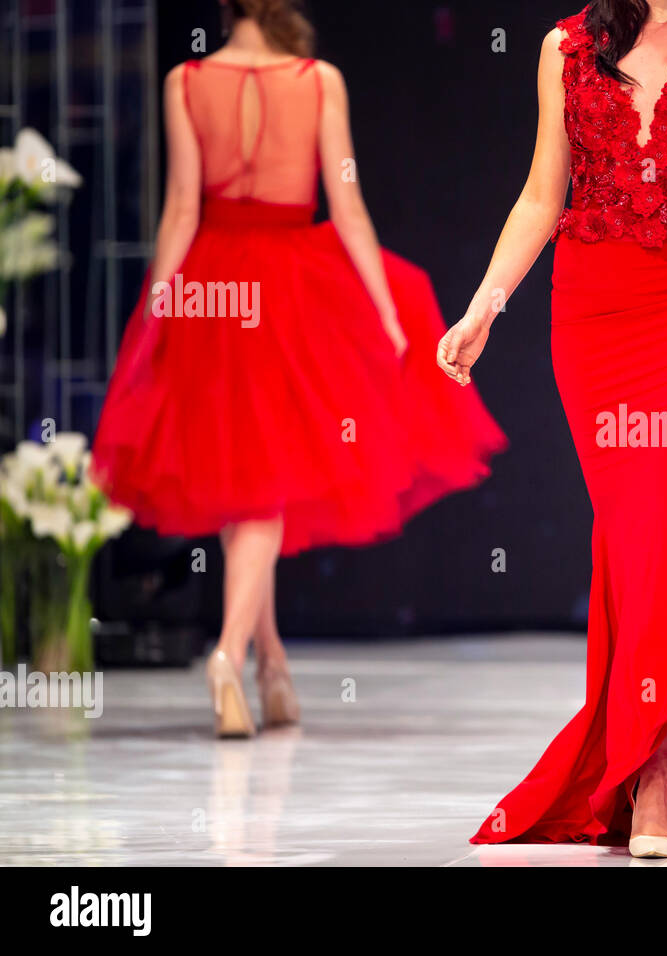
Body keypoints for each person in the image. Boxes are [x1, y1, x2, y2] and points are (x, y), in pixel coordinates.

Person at [92, 0, 505, 738]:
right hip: (291, 288)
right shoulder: (319, 80)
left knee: (249, 477)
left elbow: (183, 208)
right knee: (260, 485)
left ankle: (270, 662)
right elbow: (346, 206)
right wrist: (383, 311)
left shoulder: (187, 81)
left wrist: (158, 304)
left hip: (212, 290)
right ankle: (229, 653)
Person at [444, 0, 667, 858]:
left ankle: (656, 768)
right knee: (633, 532)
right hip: (595, 315)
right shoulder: (565, 43)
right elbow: (538, 195)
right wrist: (485, 308)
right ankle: (640, 756)